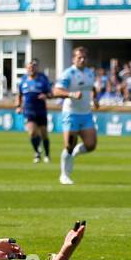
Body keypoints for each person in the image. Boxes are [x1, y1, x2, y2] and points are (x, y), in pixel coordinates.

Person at [52, 45, 98, 185]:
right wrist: (71, 94)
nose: (82, 60)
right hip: (71, 114)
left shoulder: (90, 73)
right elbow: (56, 91)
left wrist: (95, 99)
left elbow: (92, 87)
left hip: (86, 113)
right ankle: (64, 175)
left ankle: (76, 152)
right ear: (74, 59)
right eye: (79, 57)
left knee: (91, 145)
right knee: (69, 146)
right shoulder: (68, 74)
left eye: (84, 57)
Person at [16, 59, 53, 164]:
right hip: (29, 110)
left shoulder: (43, 79)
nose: (31, 69)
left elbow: (51, 94)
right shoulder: (23, 80)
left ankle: (47, 154)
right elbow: (19, 94)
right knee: (32, 133)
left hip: (41, 110)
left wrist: (46, 96)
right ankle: (37, 152)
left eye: (33, 66)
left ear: (37, 68)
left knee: (44, 134)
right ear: (26, 68)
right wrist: (18, 106)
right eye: (29, 67)